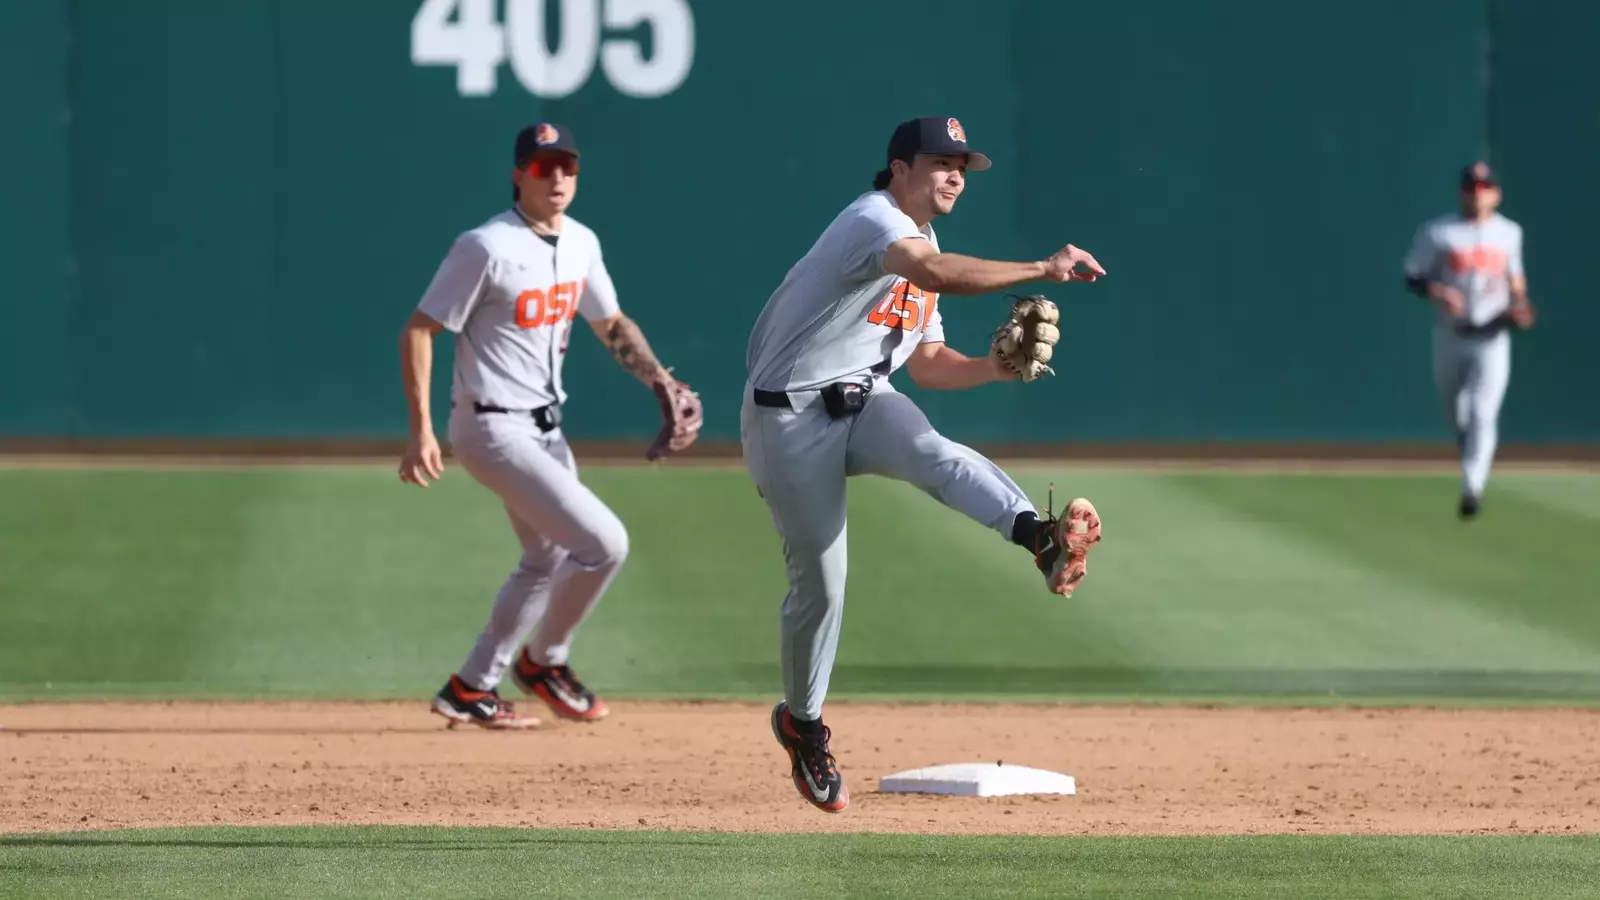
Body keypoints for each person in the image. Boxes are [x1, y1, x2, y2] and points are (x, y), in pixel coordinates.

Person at [740, 115, 1107, 812]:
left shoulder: (926, 241)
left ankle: (1039, 537)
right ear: (899, 168)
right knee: (822, 581)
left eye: (963, 165)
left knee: (932, 451)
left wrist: (995, 369)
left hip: (865, 400)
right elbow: (933, 271)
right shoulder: (872, 221)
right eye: (942, 161)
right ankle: (802, 722)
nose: (956, 175)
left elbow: (932, 366)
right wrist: (1041, 267)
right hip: (786, 417)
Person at [398, 122, 703, 729]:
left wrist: (661, 383)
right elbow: (419, 329)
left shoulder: (582, 242)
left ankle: (471, 687)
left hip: (543, 427)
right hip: (490, 426)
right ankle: (544, 661)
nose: (557, 177)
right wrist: (422, 431)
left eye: (566, 165)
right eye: (543, 167)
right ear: (518, 174)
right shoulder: (485, 246)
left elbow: (611, 324)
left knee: (544, 559)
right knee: (603, 544)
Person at [1403, 161, 1536, 519]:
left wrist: (1521, 306)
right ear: (1462, 192)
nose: (1478, 194)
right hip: (1451, 334)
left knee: (1482, 412)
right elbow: (1413, 275)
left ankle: (1472, 488)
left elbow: (1515, 279)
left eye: (1484, 188)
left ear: (1496, 194)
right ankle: (1469, 457)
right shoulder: (1438, 232)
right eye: (1472, 188)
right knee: (1454, 411)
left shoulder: (1509, 233)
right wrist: (1437, 290)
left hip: (1493, 336)